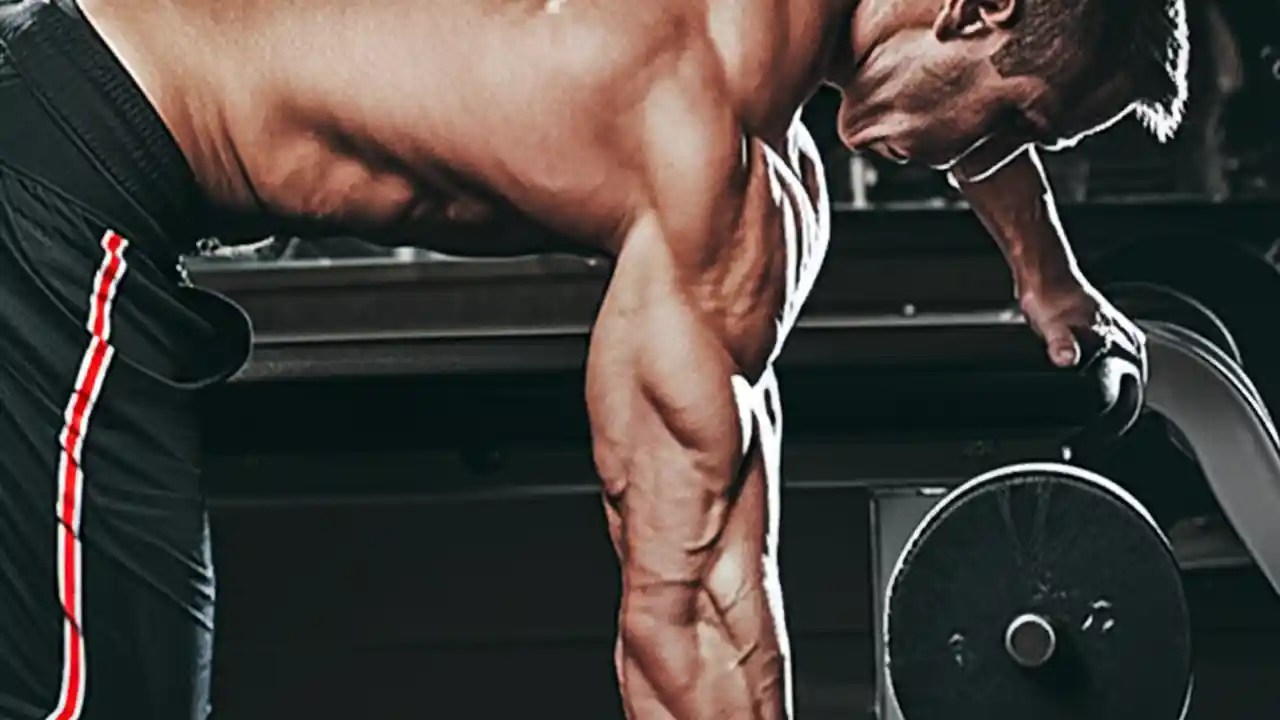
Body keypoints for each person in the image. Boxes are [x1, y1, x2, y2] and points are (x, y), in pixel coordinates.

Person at [0, 0, 1186, 717]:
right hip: (64, 167)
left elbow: (953, 105)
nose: (997, 148)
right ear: (974, 10)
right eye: (1021, 121)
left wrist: (1041, 270)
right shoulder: (708, 154)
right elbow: (691, 616)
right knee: (107, 696)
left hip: (56, 86)